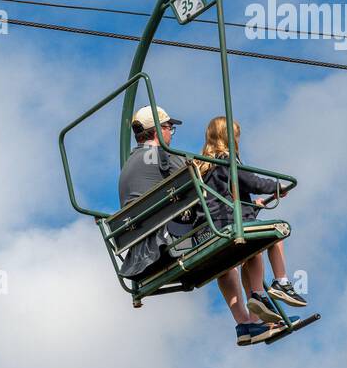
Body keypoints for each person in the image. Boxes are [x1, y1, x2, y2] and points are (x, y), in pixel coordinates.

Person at [196, 116, 309, 345]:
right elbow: (250, 181)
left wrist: (251, 207)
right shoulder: (226, 160)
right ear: (230, 139)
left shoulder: (203, 167)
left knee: (248, 245)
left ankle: (251, 322)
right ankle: (277, 284)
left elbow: (222, 199)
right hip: (228, 226)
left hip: (211, 228)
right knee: (275, 232)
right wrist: (276, 187)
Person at [116, 104, 194, 279]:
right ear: (158, 130)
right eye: (169, 128)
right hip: (163, 244)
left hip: (137, 251)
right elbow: (196, 180)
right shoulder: (161, 156)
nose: (170, 134)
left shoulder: (130, 163)